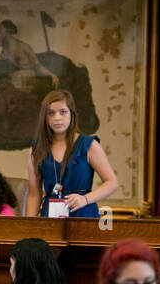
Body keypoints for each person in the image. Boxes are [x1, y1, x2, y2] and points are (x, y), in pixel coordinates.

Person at [27, 89, 119, 218]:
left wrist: (85, 199)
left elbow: (112, 183)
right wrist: (27, 227)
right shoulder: (36, 148)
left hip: (83, 213)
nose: (57, 118)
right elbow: (34, 193)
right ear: (45, 117)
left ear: (72, 114)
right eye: (51, 113)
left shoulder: (89, 145)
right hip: (50, 216)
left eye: (63, 112)